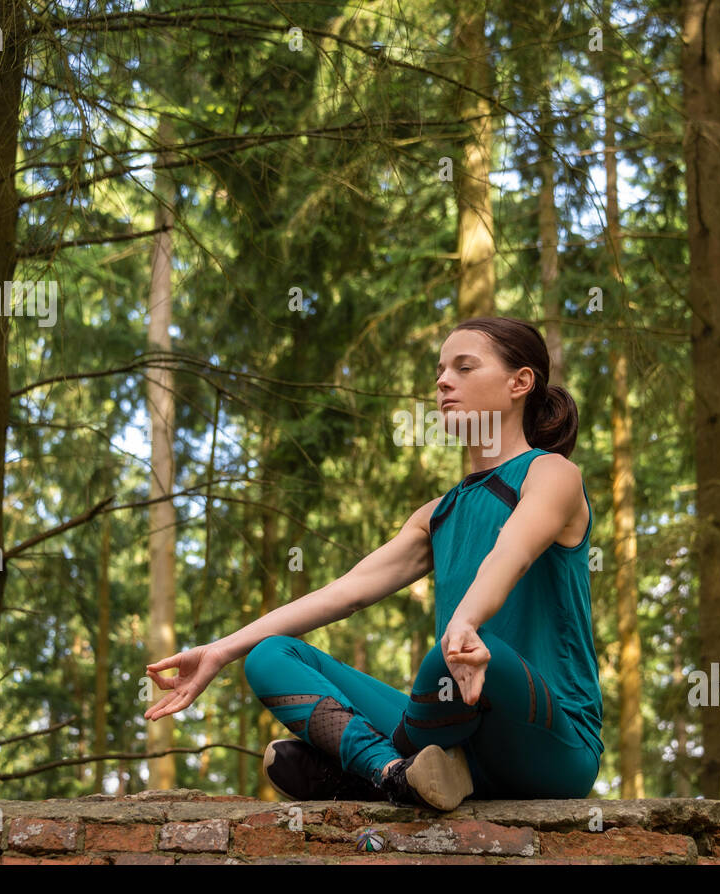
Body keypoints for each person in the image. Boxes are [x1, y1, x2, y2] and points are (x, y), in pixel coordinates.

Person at [144, 316, 603, 811]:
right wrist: (218, 651)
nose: (443, 381)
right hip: (458, 742)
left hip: (554, 745)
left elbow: (511, 551)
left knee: (449, 654)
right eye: (440, 371)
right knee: (270, 655)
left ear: (521, 382)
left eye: (464, 367)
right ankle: (394, 773)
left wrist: (466, 622)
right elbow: (346, 592)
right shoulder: (437, 515)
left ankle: (365, 769)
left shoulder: (552, 474)